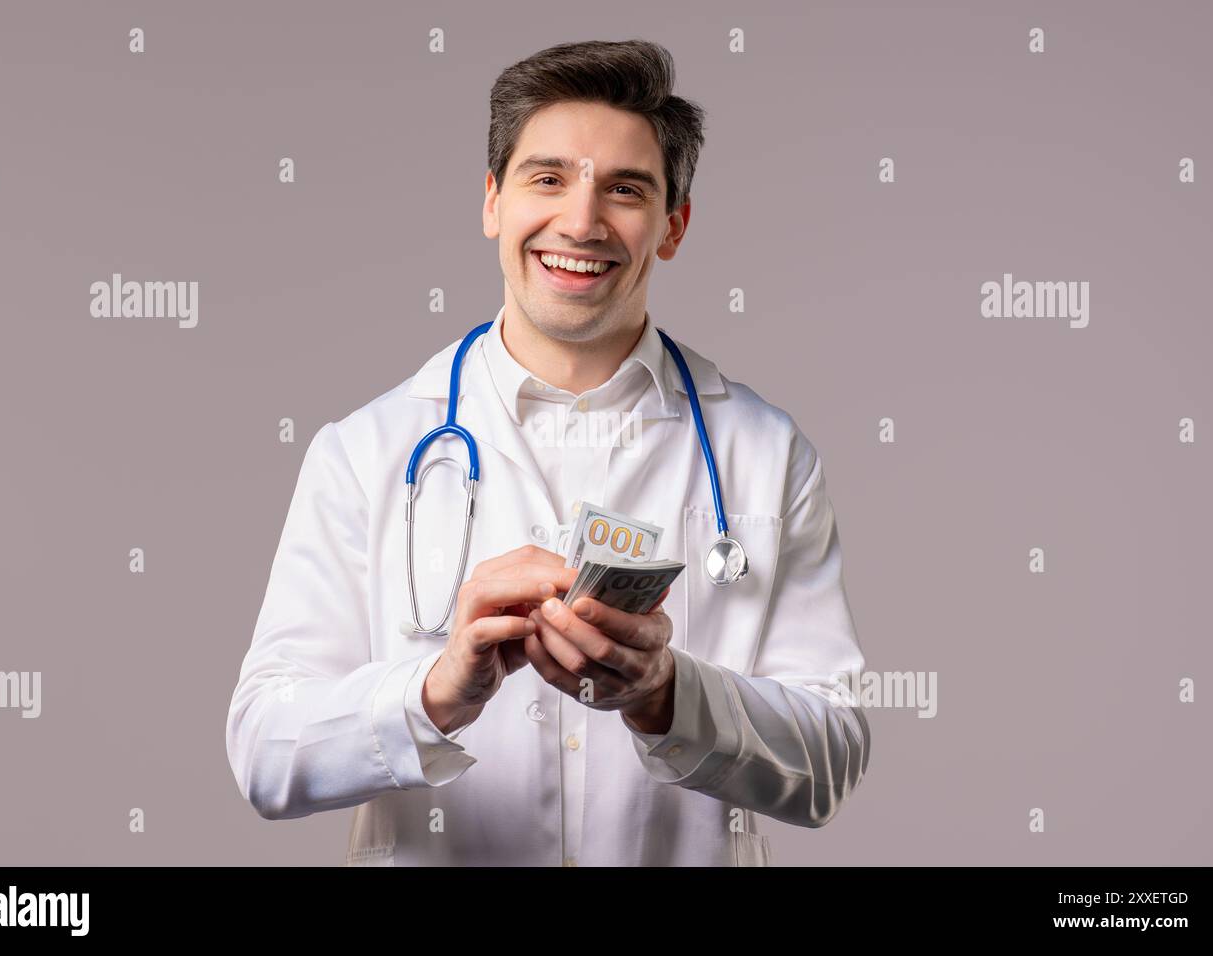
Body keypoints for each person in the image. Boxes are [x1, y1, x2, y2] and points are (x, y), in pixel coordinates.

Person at [225, 38, 871, 867]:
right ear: (493, 201)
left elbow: (832, 761)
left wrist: (670, 697)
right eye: (547, 177)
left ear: (673, 225)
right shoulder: (366, 452)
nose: (581, 220)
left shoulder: (766, 453)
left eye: (626, 189)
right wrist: (434, 694)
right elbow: (264, 754)